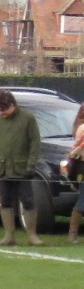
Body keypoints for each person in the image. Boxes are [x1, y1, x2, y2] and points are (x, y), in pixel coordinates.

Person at [0, 89, 43, 246]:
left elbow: (35, 143)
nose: (1, 112)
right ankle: (9, 235)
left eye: (4, 109)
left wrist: (31, 165)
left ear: (13, 105)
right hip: (2, 169)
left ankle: (32, 235)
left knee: (28, 201)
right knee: (5, 202)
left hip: (22, 169)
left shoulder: (28, 119)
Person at [66, 103, 84, 243]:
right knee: (83, 200)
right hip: (82, 167)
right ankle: (72, 234)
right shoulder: (82, 128)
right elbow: (77, 150)